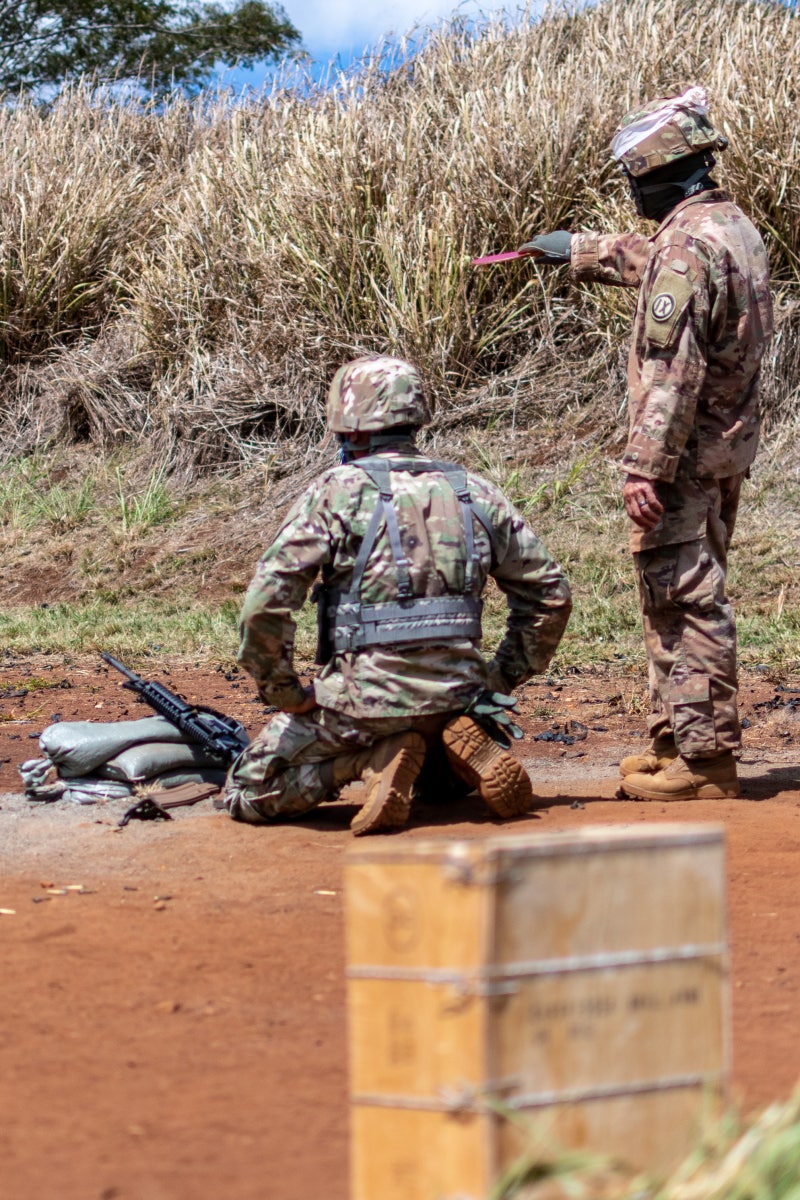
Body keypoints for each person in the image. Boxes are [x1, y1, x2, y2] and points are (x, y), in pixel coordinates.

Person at [524, 87, 773, 801]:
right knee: (675, 594)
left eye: (634, 178)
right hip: (724, 449)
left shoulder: (688, 246)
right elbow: (660, 264)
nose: (631, 191)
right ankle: (674, 741)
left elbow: (671, 374)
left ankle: (704, 762)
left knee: (686, 600)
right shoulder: (728, 227)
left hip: (686, 457)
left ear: (663, 172)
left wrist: (645, 469)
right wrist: (581, 252)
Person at [223, 355, 572, 833]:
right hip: (460, 697)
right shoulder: (473, 490)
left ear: (350, 423)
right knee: (437, 783)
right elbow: (549, 593)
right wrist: (499, 680)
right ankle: (446, 751)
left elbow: (265, 603)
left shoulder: (337, 492)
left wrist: (284, 691)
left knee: (246, 791)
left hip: (364, 706)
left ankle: (367, 763)